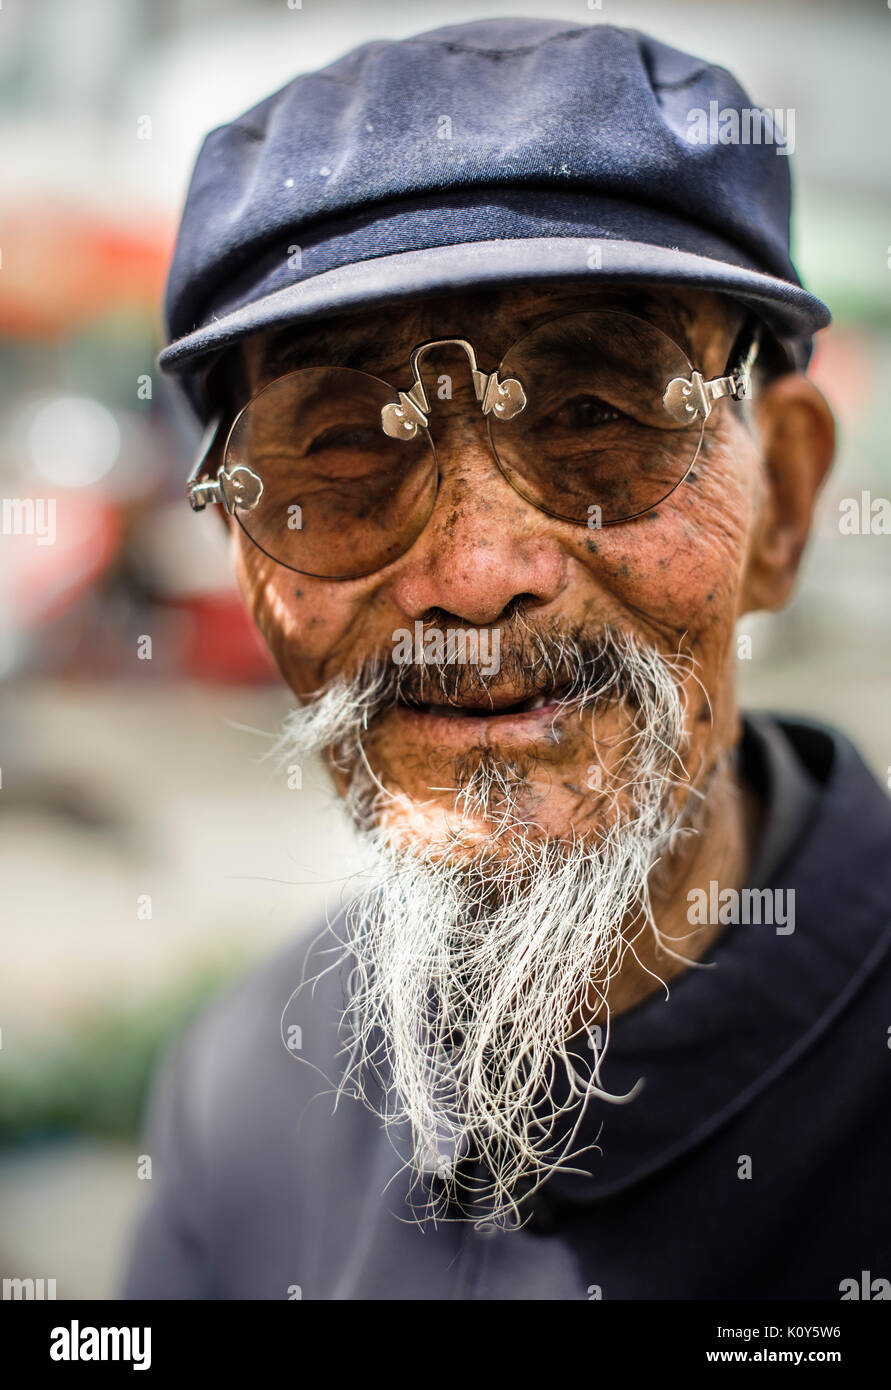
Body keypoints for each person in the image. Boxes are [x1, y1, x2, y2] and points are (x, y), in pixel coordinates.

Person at [121, 18, 891, 1300]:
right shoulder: (239, 1089)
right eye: (344, 449)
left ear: (790, 507)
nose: (478, 575)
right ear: (249, 560)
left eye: (599, 416)